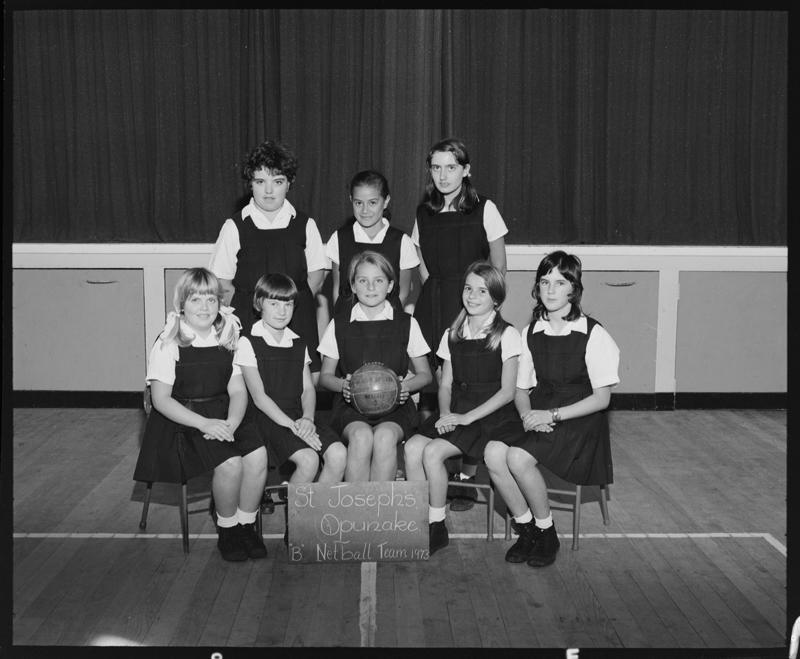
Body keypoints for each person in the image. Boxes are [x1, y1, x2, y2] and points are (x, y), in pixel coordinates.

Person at [485, 251, 620, 568]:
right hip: (539, 409)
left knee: (517, 458)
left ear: (573, 289)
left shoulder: (594, 333)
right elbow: (521, 390)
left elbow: (602, 400)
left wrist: (552, 416)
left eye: (560, 283)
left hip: (580, 417)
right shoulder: (531, 332)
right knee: (492, 452)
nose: (550, 290)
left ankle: (547, 532)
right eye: (544, 282)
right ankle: (528, 527)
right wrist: (527, 417)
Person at [133, 268, 268, 562]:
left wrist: (232, 422)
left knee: (257, 457)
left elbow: (238, 390)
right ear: (181, 304)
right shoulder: (169, 343)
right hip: (184, 418)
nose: (205, 307)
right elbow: (160, 400)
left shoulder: (228, 336)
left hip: (224, 411)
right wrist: (206, 423)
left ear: (220, 303)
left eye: (210, 299)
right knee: (231, 463)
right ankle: (228, 528)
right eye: (196, 300)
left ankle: (246, 524)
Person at [410, 137, 510, 510]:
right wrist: (434, 292)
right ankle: (432, 464)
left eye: (451, 166)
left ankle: (466, 475)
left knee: (472, 387)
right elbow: (421, 262)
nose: (443, 174)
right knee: (435, 385)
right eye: (436, 167)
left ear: (466, 170)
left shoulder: (485, 209)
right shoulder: (424, 213)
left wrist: (480, 310)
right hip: (434, 302)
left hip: (473, 305)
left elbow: (499, 267)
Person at [404, 261, 521, 554]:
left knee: (432, 452)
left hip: (491, 416)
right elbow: (445, 384)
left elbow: (508, 393)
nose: (472, 296)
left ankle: (437, 524)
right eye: (468, 288)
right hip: (457, 409)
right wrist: (445, 414)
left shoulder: (506, 334)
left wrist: (465, 418)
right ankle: (420, 522)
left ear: (496, 298)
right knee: (411, 448)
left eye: (482, 291)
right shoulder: (452, 333)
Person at [236, 273, 347, 544]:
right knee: (308, 461)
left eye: (287, 304)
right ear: (259, 304)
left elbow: (308, 389)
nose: (282, 310)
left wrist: (308, 418)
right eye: (274, 303)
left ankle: (309, 518)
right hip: (267, 418)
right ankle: (297, 529)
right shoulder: (247, 342)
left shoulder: (298, 342)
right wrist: (294, 426)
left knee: (339, 454)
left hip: (299, 416)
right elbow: (259, 398)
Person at [208, 139, 328, 377]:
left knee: (301, 384)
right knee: (249, 384)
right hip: (249, 319)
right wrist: (253, 308)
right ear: (250, 185)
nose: (269, 190)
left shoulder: (305, 224)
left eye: (278, 181)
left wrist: (289, 306)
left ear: (289, 183)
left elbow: (316, 276)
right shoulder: (235, 226)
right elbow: (222, 282)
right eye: (260, 182)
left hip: (295, 318)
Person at [318, 250, 433, 482]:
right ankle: (358, 511)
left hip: (396, 406)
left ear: (390, 286)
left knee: (384, 438)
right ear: (352, 285)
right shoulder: (339, 324)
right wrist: (344, 385)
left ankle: (380, 513)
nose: (371, 287)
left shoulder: (407, 323)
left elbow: (425, 375)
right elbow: (324, 377)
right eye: (363, 281)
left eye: (378, 280)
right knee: (361, 438)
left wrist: (405, 387)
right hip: (350, 405)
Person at [325, 169, 419, 315]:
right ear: (351, 200)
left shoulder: (401, 241)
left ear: (386, 201)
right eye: (358, 203)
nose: (365, 210)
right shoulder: (339, 238)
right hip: (348, 323)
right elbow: (338, 289)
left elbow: (403, 292)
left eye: (372, 203)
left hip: (387, 324)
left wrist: (384, 319)